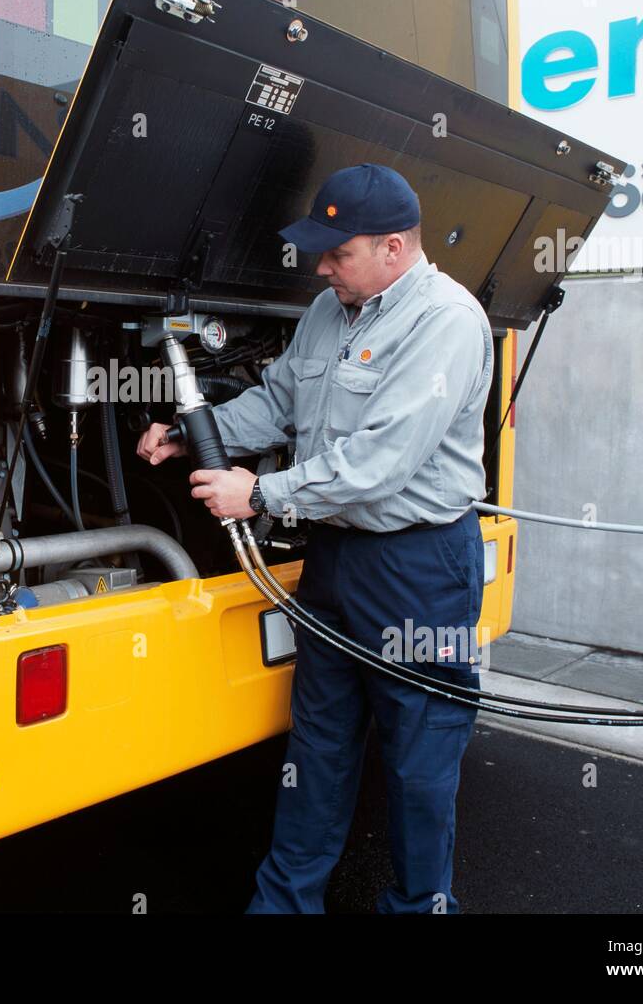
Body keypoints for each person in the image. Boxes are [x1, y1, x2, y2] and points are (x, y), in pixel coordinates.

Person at [137, 163, 493, 914]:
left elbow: (381, 460)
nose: (322, 266)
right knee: (319, 749)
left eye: (339, 252)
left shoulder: (446, 323)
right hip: (335, 563)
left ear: (395, 248)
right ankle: (285, 907)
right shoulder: (328, 314)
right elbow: (276, 405)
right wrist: (192, 436)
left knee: (419, 760)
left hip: (420, 567)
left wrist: (260, 492)